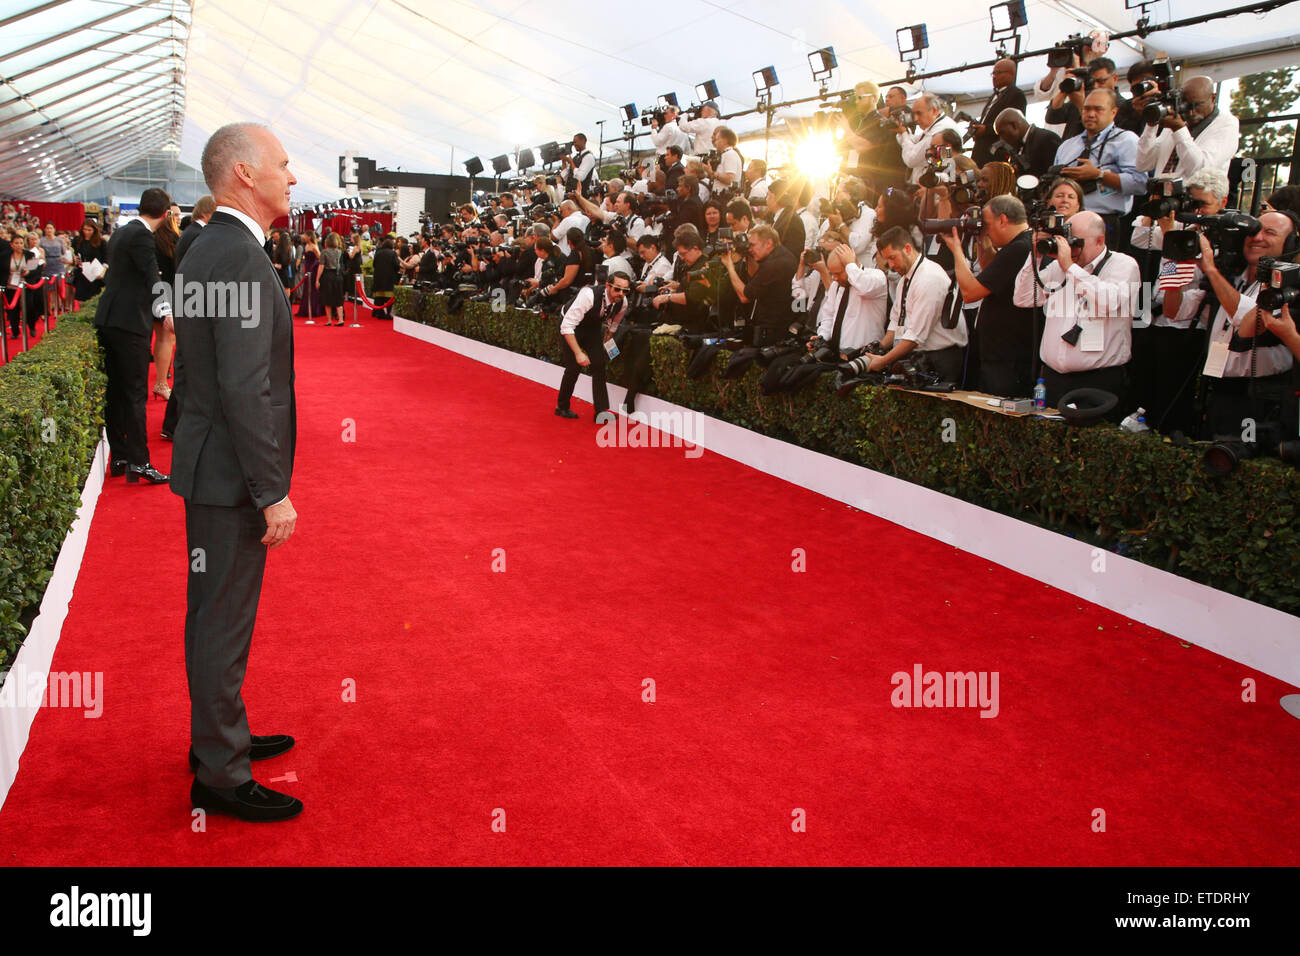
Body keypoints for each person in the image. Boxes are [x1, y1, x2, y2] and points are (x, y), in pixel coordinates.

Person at [170, 121, 301, 823]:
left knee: (210, 617)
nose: (291, 175)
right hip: (231, 480)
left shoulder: (200, 248)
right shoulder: (240, 259)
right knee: (223, 621)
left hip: (206, 467)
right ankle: (220, 772)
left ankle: (218, 737)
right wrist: (271, 490)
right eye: (281, 164)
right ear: (245, 174)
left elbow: (195, 372)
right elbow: (245, 389)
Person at [1013, 210, 1139, 412]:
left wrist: (1070, 267)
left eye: (1076, 242)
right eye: (1066, 241)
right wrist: (1035, 257)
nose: (1070, 248)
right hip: (1053, 380)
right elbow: (1023, 298)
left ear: (1100, 240)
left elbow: (1108, 302)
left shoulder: (1122, 264)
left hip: (1097, 381)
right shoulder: (1060, 266)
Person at [1189, 209, 1300, 439]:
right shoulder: (1233, 277)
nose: (1257, 238)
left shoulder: (1290, 289)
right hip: (1218, 392)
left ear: (1290, 243)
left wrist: (1211, 270)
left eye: (1269, 232)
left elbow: (1248, 321)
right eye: (1254, 230)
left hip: (1259, 398)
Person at [93, 187, 173, 483]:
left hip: (110, 319)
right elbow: (152, 275)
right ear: (165, 215)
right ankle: (139, 462)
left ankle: (121, 456)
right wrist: (165, 312)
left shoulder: (121, 232)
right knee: (135, 393)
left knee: (116, 391)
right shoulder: (142, 236)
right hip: (129, 324)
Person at [942, 195, 1037, 396]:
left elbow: (970, 293)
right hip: (1002, 352)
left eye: (986, 223)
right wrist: (982, 240)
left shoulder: (1020, 248)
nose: (983, 226)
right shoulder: (1020, 244)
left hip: (1009, 357)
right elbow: (991, 273)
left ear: (1002, 220)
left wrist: (956, 249)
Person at [862, 226, 969, 383]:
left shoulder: (929, 277)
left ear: (907, 249)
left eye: (893, 257)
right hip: (921, 355)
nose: (890, 265)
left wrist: (883, 360)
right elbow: (896, 320)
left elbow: (915, 336)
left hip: (943, 356)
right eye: (887, 260)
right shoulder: (906, 278)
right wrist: (879, 347)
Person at [1053, 88, 1147, 240]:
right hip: (1067, 220)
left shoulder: (1127, 140)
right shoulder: (1067, 146)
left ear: (1113, 112)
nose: (1091, 114)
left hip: (1105, 221)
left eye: (1098, 109)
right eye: (1086, 109)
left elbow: (1140, 183)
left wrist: (1099, 175)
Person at [554, 270, 632, 422]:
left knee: (599, 364)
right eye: (617, 289)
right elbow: (567, 326)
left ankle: (601, 412)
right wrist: (578, 353)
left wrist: (606, 347)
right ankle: (562, 407)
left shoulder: (623, 303)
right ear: (608, 286)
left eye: (625, 290)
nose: (621, 293)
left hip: (593, 328)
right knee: (573, 368)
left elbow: (611, 327)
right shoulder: (588, 295)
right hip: (571, 326)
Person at [1135, 76, 1239, 180]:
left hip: (1197, 195)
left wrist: (1179, 129)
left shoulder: (1227, 123)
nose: (1191, 112)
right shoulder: (1178, 119)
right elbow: (1143, 164)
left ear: (1213, 98)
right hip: (1161, 193)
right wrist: (1151, 125)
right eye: (1186, 106)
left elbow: (1201, 170)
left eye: (1197, 105)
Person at [720, 223, 798, 347]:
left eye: (753, 245)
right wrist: (749, 256)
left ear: (768, 243)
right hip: (776, 324)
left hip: (774, 330)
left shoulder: (774, 265)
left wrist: (730, 266)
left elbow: (745, 296)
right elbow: (755, 279)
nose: (750, 248)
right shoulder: (781, 255)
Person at [969, 59, 1028, 166]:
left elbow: (1013, 126)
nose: (994, 76)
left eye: (999, 73)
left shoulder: (1016, 95)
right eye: (993, 73)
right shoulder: (994, 95)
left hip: (996, 154)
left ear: (1012, 74)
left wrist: (986, 129)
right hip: (980, 151)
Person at [152, 210, 180, 400]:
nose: (178, 218)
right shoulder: (173, 239)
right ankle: (161, 382)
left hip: (156, 291)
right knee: (167, 339)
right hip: (168, 292)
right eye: (175, 215)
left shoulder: (152, 238)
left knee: (161, 337)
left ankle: (161, 381)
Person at [991, 109, 1062, 179]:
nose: (1001, 139)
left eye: (1002, 133)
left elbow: (1057, 176)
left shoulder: (1046, 139)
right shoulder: (1020, 146)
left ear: (1014, 125)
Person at [71, 219, 107, 304]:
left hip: (96, 274)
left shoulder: (101, 242)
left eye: (89, 230)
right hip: (82, 272)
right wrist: (75, 260)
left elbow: (106, 259)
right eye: (85, 229)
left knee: (94, 299)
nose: (86, 232)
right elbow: (74, 254)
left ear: (94, 230)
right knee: (81, 298)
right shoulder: (77, 240)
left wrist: (102, 272)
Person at [319, 233, 346, 325]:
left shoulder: (324, 252)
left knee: (327, 298)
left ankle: (329, 320)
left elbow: (321, 266)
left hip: (327, 275)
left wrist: (317, 279)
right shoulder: (339, 251)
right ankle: (341, 319)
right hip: (338, 276)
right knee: (338, 298)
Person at [371, 236, 400, 319]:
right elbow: (396, 265)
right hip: (389, 278)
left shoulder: (378, 252)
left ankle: (379, 312)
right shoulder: (393, 253)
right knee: (389, 297)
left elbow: (374, 264)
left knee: (379, 296)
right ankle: (388, 313)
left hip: (378, 277)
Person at [296, 230, 324, 319]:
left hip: (313, 269)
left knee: (313, 289)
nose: (303, 237)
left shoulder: (314, 246)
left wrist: (315, 266)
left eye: (305, 235)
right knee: (307, 289)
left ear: (309, 236)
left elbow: (320, 258)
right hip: (307, 269)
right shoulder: (306, 245)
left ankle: (314, 309)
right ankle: (306, 309)